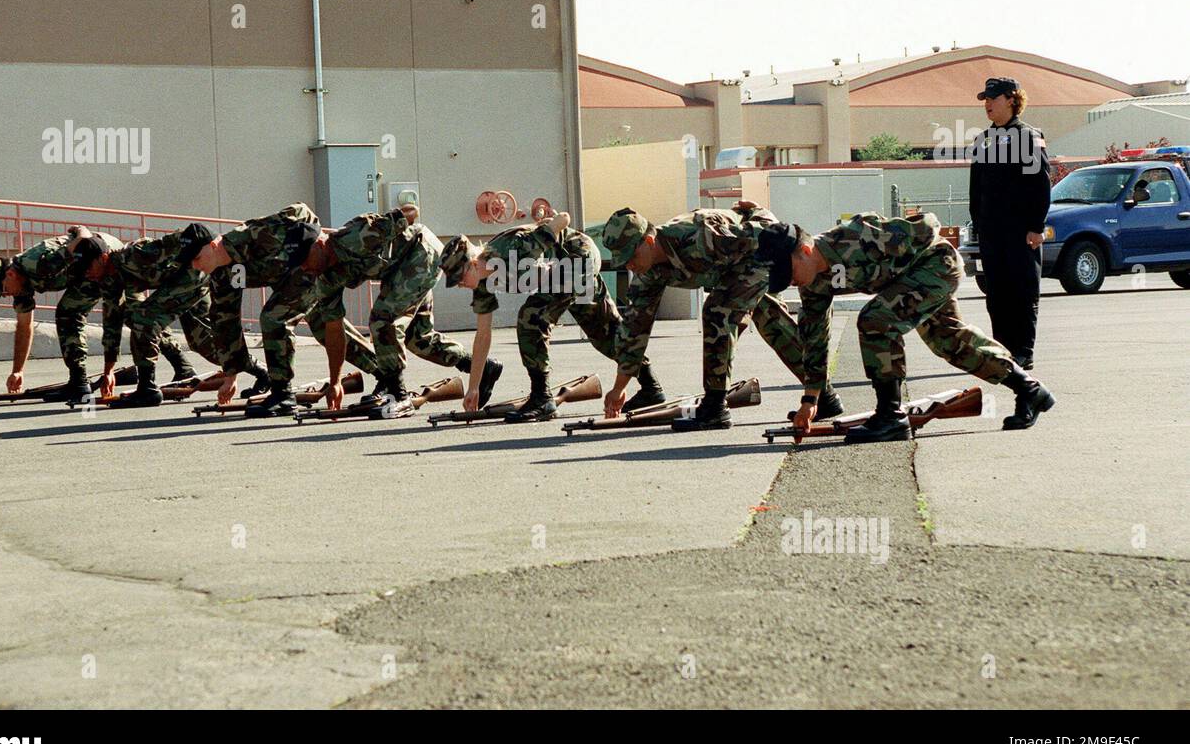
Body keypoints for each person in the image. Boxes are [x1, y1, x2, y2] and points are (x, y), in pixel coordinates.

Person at [773, 211, 1055, 444]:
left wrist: (904, 253)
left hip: (937, 265)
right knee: (949, 341)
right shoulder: (812, 284)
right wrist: (811, 399)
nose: (790, 283)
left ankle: (890, 416)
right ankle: (1030, 390)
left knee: (876, 320)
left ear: (806, 251)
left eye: (789, 274)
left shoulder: (856, 236)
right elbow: (814, 337)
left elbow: (926, 226)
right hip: (912, 280)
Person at [599, 205, 845, 432]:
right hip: (733, 270)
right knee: (770, 319)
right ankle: (825, 396)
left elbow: (766, 235)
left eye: (631, 256)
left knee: (718, 312)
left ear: (649, 240)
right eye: (623, 261)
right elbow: (635, 328)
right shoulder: (647, 273)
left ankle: (715, 407)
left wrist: (761, 213)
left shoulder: (700, 235)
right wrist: (619, 388)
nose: (629, 265)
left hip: (756, 254)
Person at [439, 211, 661, 422]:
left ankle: (541, 398)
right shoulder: (482, 283)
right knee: (605, 333)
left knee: (532, 318)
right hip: (560, 274)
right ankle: (651, 388)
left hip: (578, 256)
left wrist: (552, 220)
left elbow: (562, 220)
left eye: (459, 279)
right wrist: (474, 387)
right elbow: (483, 335)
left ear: (473, 265)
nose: (459, 286)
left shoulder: (514, 248)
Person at [190, 202, 376, 416]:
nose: (196, 266)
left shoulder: (256, 235)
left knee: (274, 318)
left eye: (198, 258)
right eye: (191, 262)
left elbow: (300, 210)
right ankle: (385, 373)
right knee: (321, 324)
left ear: (213, 245)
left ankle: (283, 395)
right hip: (287, 278)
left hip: (308, 262)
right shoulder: (224, 274)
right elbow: (226, 321)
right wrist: (231, 375)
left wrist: (311, 242)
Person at [307, 204, 491, 415]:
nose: (305, 269)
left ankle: (397, 394)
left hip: (421, 253)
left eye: (305, 260)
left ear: (319, 245)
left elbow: (411, 211)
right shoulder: (325, 278)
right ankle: (479, 366)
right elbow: (334, 330)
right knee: (418, 338)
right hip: (397, 272)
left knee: (383, 319)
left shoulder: (354, 235)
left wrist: (390, 221)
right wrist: (335, 382)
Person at [0, 228, 182, 402]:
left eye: (3, 289)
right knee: (71, 312)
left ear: (9, 274)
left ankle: (180, 364)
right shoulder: (20, 286)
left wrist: (108, 369)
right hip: (82, 273)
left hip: (101, 255)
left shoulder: (36, 263)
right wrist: (18, 371)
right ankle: (79, 381)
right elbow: (24, 326)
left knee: (121, 313)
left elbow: (81, 236)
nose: (6, 294)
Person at [69, 224, 246, 406]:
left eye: (87, 266)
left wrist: (205, 246)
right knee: (201, 342)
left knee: (144, 318)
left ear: (103, 258)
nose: (86, 273)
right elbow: (112, 322)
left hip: (196, 270)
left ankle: (147, 389)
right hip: (181, 282)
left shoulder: (137, 255)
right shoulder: (109, 279)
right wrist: (109, 371)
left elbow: (177, 240)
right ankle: (261, 372)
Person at [968, 76, 1053, 369]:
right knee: (997, 294)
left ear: (1012, 99)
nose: (987, 104)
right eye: (985, 99)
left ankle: (1023, 351)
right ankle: (1001, 351)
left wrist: (1037, 225)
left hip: (1021, 231)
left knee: (1023, 291)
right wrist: (977, 224)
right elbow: (976, 187)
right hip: (992, 232)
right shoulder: (983, 139)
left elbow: (1041, 185)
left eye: (993, 98)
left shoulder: (1029, 136)